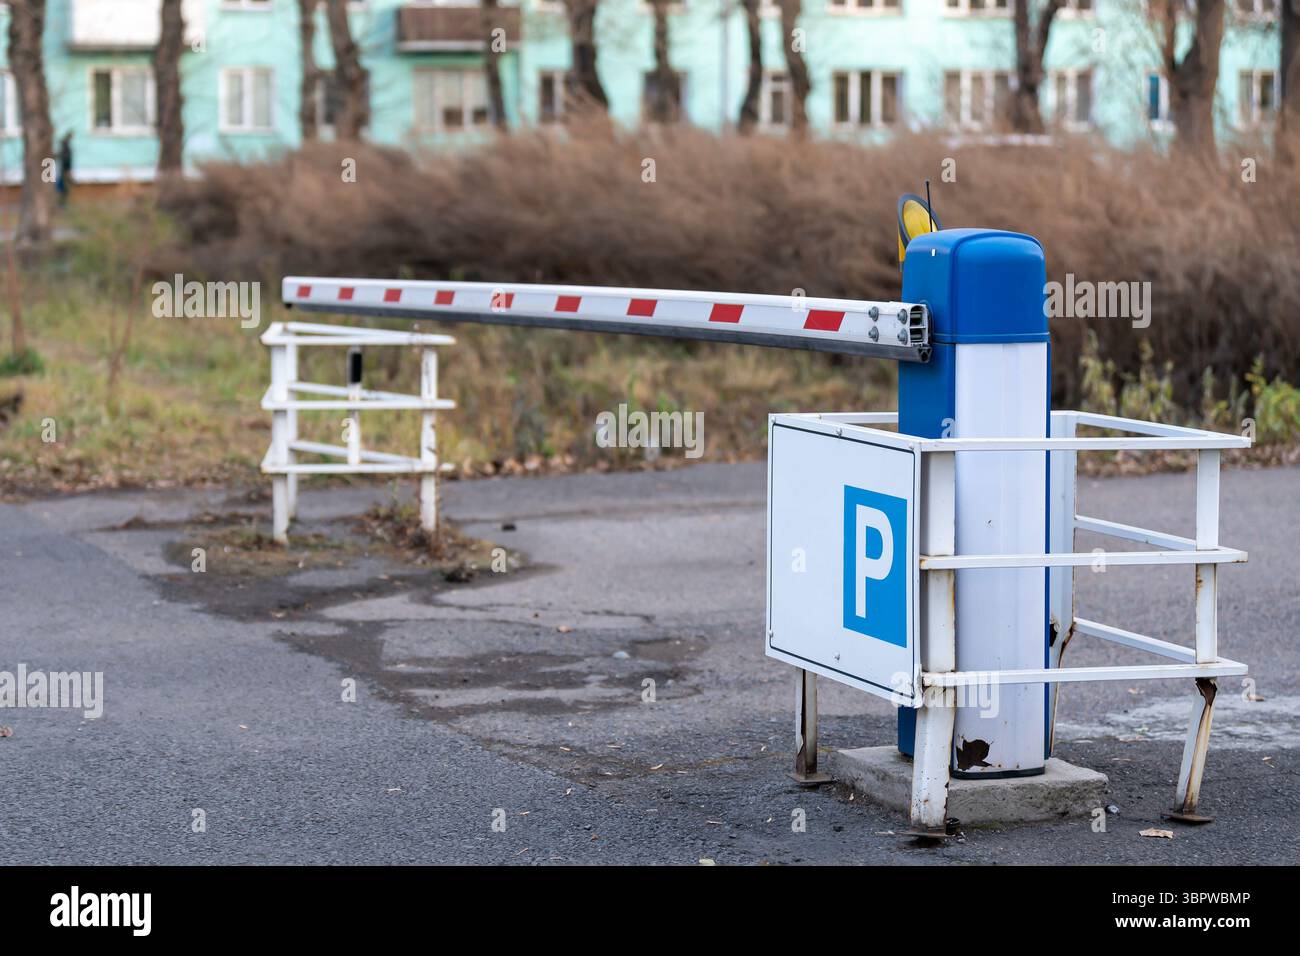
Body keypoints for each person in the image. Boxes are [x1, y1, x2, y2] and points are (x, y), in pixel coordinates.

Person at [55, 132, 72, 207]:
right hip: (64, 171)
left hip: (64, 171)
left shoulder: (65, 149)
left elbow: (66, 161)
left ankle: (61, 204)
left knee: (63, 188)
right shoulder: (66, 149)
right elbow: (66, 161)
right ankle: (61, 204)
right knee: (63, 188)